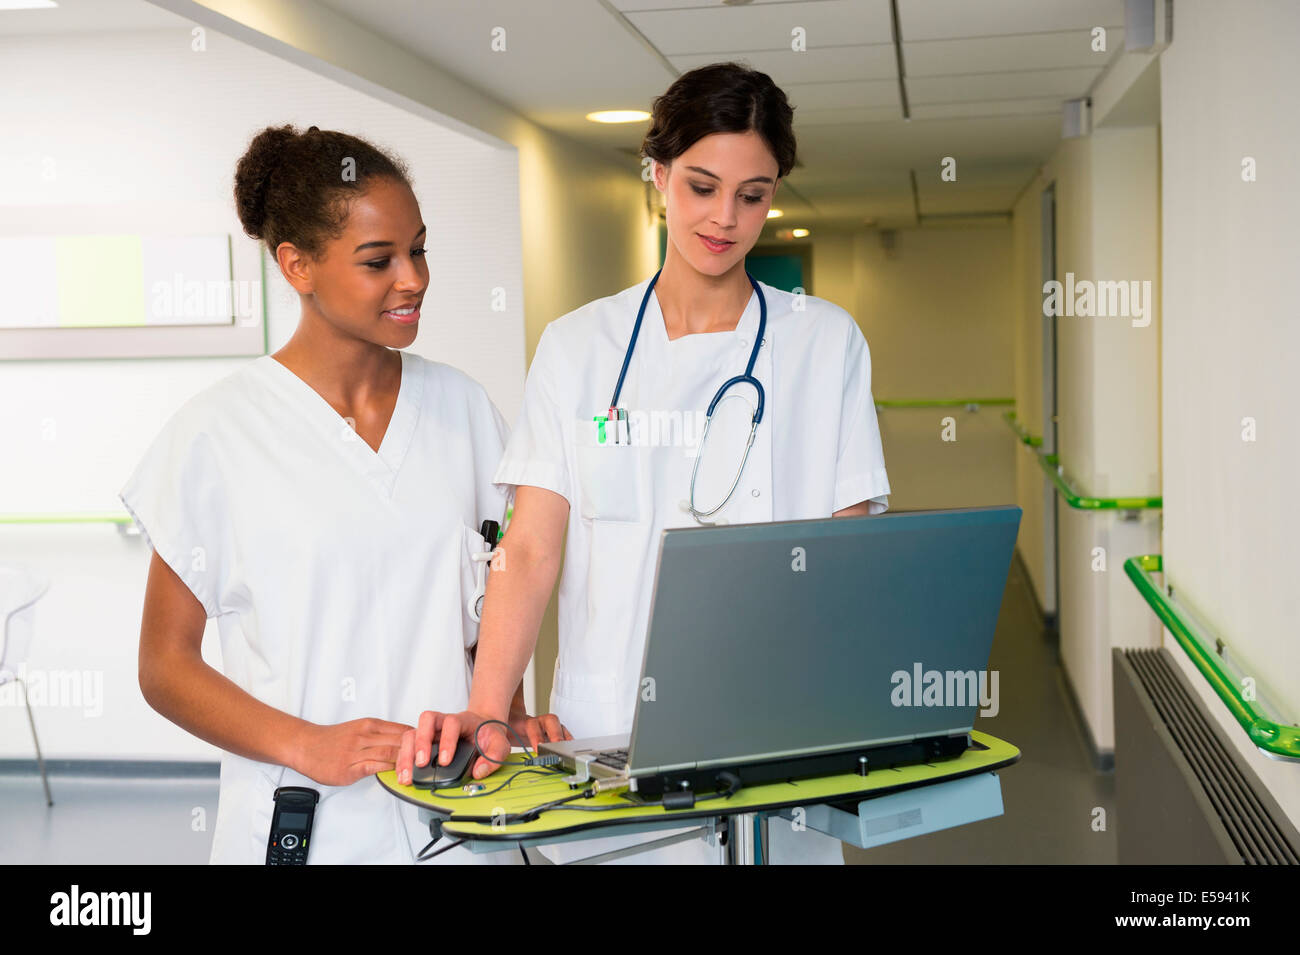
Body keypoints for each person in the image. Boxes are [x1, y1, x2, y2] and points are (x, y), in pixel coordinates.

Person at [398, 62, 892, 863]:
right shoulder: (578, 346)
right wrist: (489, 707)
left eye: (753, 194)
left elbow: (847, 552)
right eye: (701, 186)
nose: (725, 218)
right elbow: (529, 545)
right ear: (657, 175)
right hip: (611, 726)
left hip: (776, 723)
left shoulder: (823, 341)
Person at [121, 123, 561, 864]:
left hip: (458, 822)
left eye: (418, 249)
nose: (413, 277)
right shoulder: (219, 434)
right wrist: (309, 744)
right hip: (308, 821)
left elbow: (493, 606)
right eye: (378, 260)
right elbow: (165, 664)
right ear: (297, 265)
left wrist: (507, 719)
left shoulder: (465, 412)